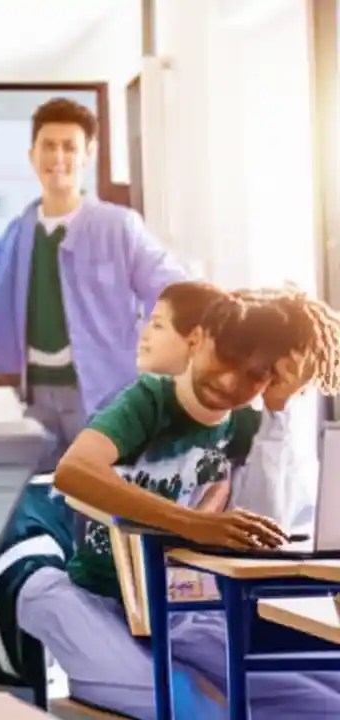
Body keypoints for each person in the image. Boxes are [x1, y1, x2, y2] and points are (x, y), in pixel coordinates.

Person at [22, 288, 340, 717]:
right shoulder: (150, 400)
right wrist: (189, 523)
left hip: (182, 610)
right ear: (197, 339)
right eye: (225, 357)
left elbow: (263, 525)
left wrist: (277, 409)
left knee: (322, 702)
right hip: (103, 602)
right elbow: (73, 471)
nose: (230, 382)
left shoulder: (244, 423)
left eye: (256, 374)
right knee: (195, 707)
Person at [0, 97, 189, 470]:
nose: (58, 156)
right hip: (39, 396)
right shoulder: (20, 230)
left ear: (88, 154)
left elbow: (171, 288)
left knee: (102, 504)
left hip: (103, 393)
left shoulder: (117, 226)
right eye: (49, 146)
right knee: (46, 497)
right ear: (32, 155)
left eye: (69, 147)